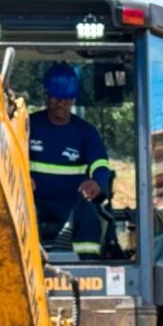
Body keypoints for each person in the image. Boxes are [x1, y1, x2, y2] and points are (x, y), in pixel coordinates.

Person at [29, 63, 111, 257]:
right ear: (46, 96)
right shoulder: (29, 125)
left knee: (89, 214)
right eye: (56, 98)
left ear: (74, 99)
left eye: (67, 99)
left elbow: (101, 164)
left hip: (71, 202)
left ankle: (88, 267)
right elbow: (9, 157)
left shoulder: (85, 132)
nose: (61, 104)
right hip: (32, 200)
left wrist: (97, 182)